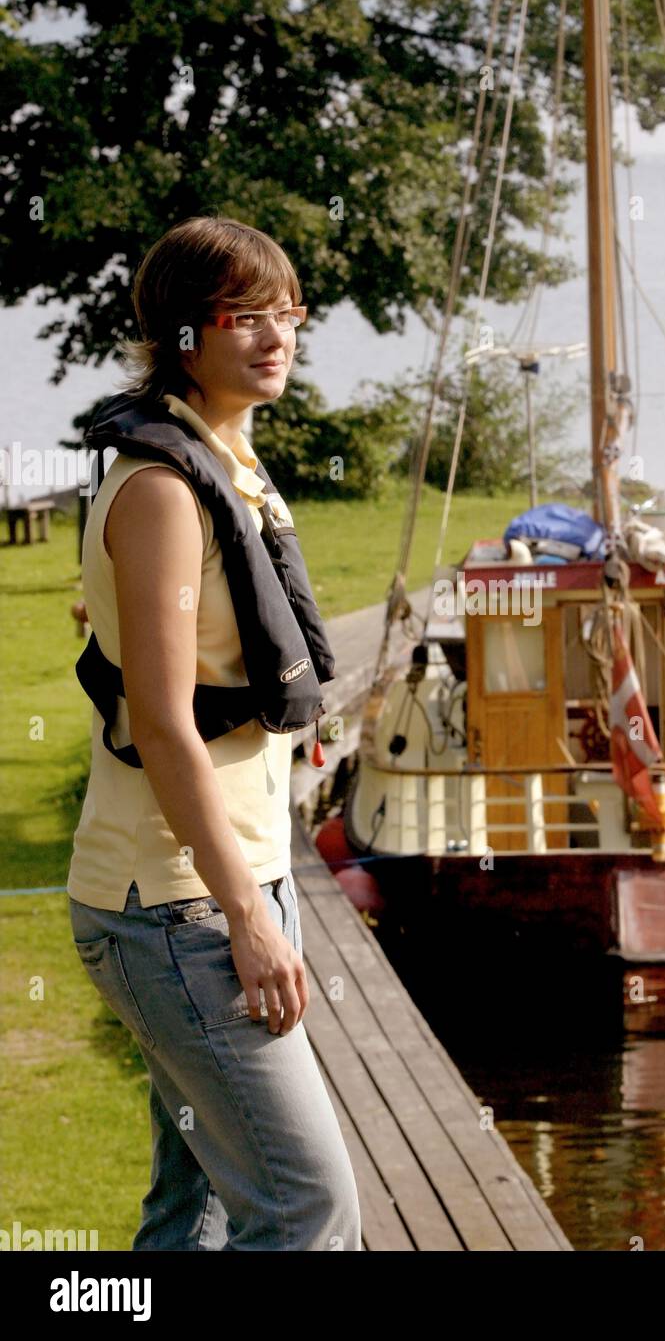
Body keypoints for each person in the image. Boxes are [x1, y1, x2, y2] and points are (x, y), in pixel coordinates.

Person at [66, 215, 361, 1251]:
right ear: (184, 334)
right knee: (306, 1207)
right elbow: (161, 722)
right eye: (245, 316)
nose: (276, 336)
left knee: (188, 1214)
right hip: (178, 904)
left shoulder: (219, 459)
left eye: (287, 314)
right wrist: (247, 916)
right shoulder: (159, 488)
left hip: (221, 879)